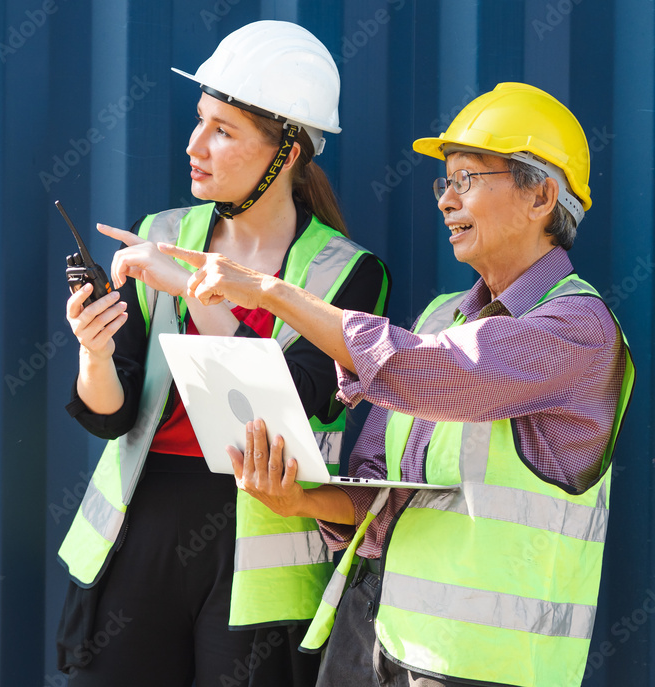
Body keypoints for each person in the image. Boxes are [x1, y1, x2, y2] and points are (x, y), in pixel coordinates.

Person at [161, 82, 635, 687]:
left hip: (481, 668)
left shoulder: (576, 326)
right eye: (445, 183)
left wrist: (269, 292)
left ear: (540, 195)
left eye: (466, 179)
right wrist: (298, 500)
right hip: (375, 640)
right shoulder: (441, 318)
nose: (445, 201)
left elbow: (437, 375)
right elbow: (383, 495)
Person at [55, 20, 391, 687]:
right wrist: (94, 353)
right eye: (200, 122)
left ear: (287, 151)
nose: (195, 146)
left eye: (223, 130)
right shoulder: (163, 233)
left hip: (260, 554)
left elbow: (284, 406)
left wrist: (191, 286)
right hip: (142, 530)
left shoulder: (347, 275)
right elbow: (111, 415)